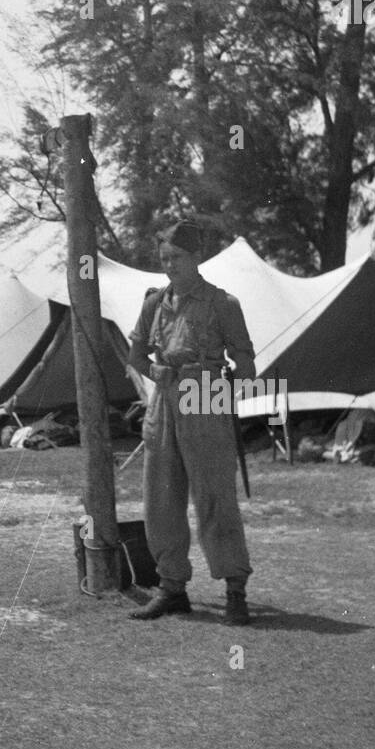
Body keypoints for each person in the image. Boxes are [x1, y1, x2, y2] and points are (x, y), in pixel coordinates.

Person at [126, 221, 256, 627]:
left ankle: (235, 591)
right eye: (164, 259)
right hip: (163, 403)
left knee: (216, 498)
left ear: (197, 257)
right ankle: (172, 589)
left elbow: (247, 366)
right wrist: (154, 370)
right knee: (161, 501)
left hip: (205, 398)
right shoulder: (153, 303)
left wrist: (219, 391)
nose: (169, 267)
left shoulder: (223, 304)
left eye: (177, 258)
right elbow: (136, 356)